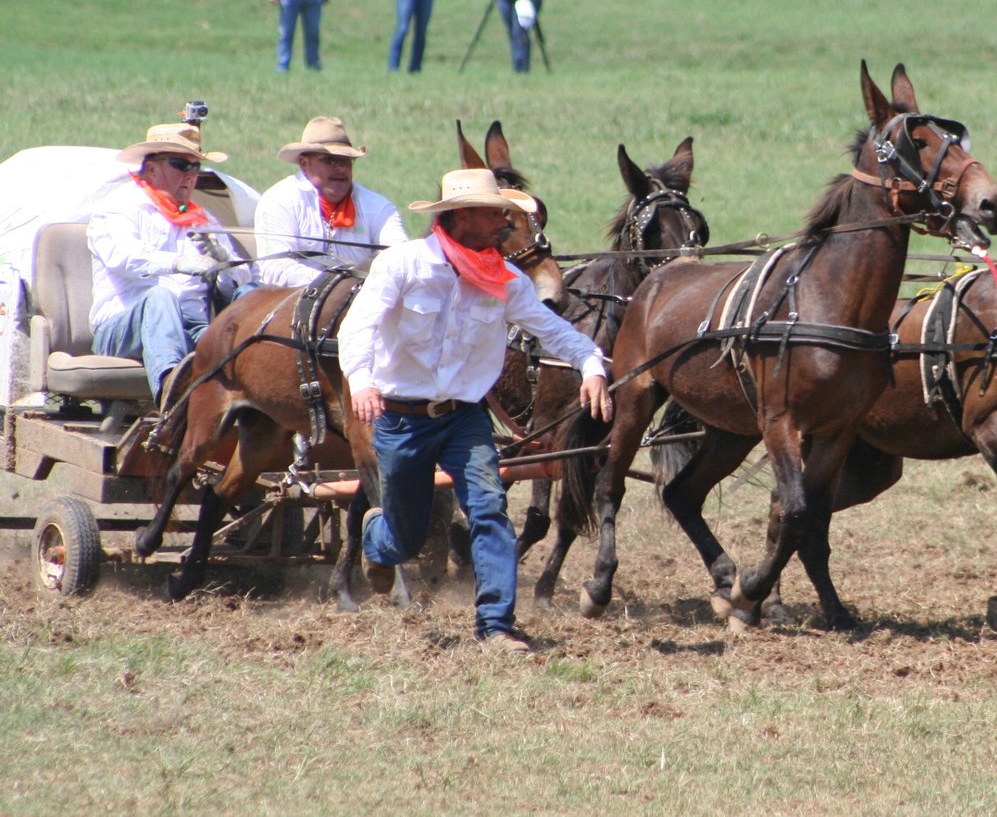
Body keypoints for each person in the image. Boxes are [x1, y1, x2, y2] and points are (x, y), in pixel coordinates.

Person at [338, 168, 613, 653]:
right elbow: (359, 327)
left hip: (464, 418)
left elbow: (555, 332)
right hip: (401, 418)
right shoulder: (404, 265)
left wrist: (591, 365)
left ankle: (496, 625)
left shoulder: (507, 281)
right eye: (494, 213)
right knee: (406, 536)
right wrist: (361, 381)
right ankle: (376, 538)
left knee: (489, 508)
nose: (504, 224)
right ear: (460, 216)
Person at [88, 123, 253, 404]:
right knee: (159, 298)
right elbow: (123, 256)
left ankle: (263, 386)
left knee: (252, 293)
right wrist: (178, 262)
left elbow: (238, 282)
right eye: (180, 165)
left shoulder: (203, 219)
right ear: (151, 168)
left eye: (195, 168)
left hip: (195, 326)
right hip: (123, 328)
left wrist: (224, 264)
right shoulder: (118, 206)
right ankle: (172, 394)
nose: (190, 175)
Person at [253, 117, 408, 289]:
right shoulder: (279, 200)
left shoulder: (378, 207)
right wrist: (338, 283)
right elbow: (275, 268)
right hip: (288, 298)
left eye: (346, 161)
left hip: (357, 297)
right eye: (330, 160)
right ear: (304, 163)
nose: (340, 169)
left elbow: (400, 258)